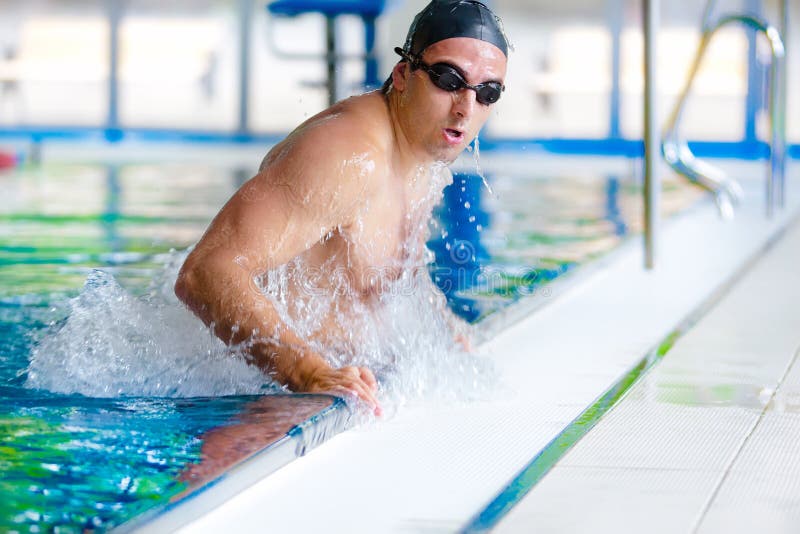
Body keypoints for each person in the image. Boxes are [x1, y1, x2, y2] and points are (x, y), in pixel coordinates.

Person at [174, 0, 509, 416]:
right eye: (447, 78)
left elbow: (394, 269)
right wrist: (308, 373)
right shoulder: (348, 156)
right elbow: (205, 273)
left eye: (487, 92)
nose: (465, 108)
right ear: (403, 75)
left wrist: (442, 323)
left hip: (325, 383)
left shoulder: (424, 153)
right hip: (240, 392)